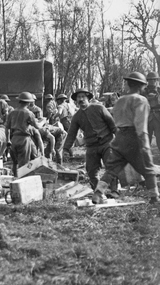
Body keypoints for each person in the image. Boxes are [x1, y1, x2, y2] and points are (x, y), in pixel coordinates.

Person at [93, 72, 159, 205]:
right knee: (148, 168)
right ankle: (154, 197)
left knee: (112, 169)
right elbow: (140, 124)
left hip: (119, 137)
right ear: (142, 86)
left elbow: (116, 120)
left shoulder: (120, 101)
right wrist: (145, 145)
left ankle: (98, 193)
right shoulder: (141, 100)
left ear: (128, 84)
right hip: (134, 137)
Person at [63, 89, 117, 192]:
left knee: (111, 166)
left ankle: (114, 191)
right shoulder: (76, 117)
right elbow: (71, 134)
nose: (81, 99)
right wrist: (66, 149)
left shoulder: (99, 108)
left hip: (107, 142)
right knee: (91, 171)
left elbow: (112, 125)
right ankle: (98, 192)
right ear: (76, 101)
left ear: (88, 98)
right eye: (79, 97)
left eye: (83, 97)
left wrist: (119, 139)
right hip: (92, 146)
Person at [5, 92, 45, 177]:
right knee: (24, 164)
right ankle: (22, 181)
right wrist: (43, 121)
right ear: (28, 102)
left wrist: (8, 140)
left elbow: (7, 128)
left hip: (13, 139)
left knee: (15, 162)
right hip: (24, 139)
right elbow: (37, 126)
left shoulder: (11, 113)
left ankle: (15, 180)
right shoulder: (29, 113)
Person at [142, 71, 160, 152]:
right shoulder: (143, 91)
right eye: (150, 80)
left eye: (154, 80)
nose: (152, 82)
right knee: (146, 140)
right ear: (147, 81)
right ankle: (146, 160)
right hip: (147, 118)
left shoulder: (159, 91)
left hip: (158, 118)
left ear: (157, 80)